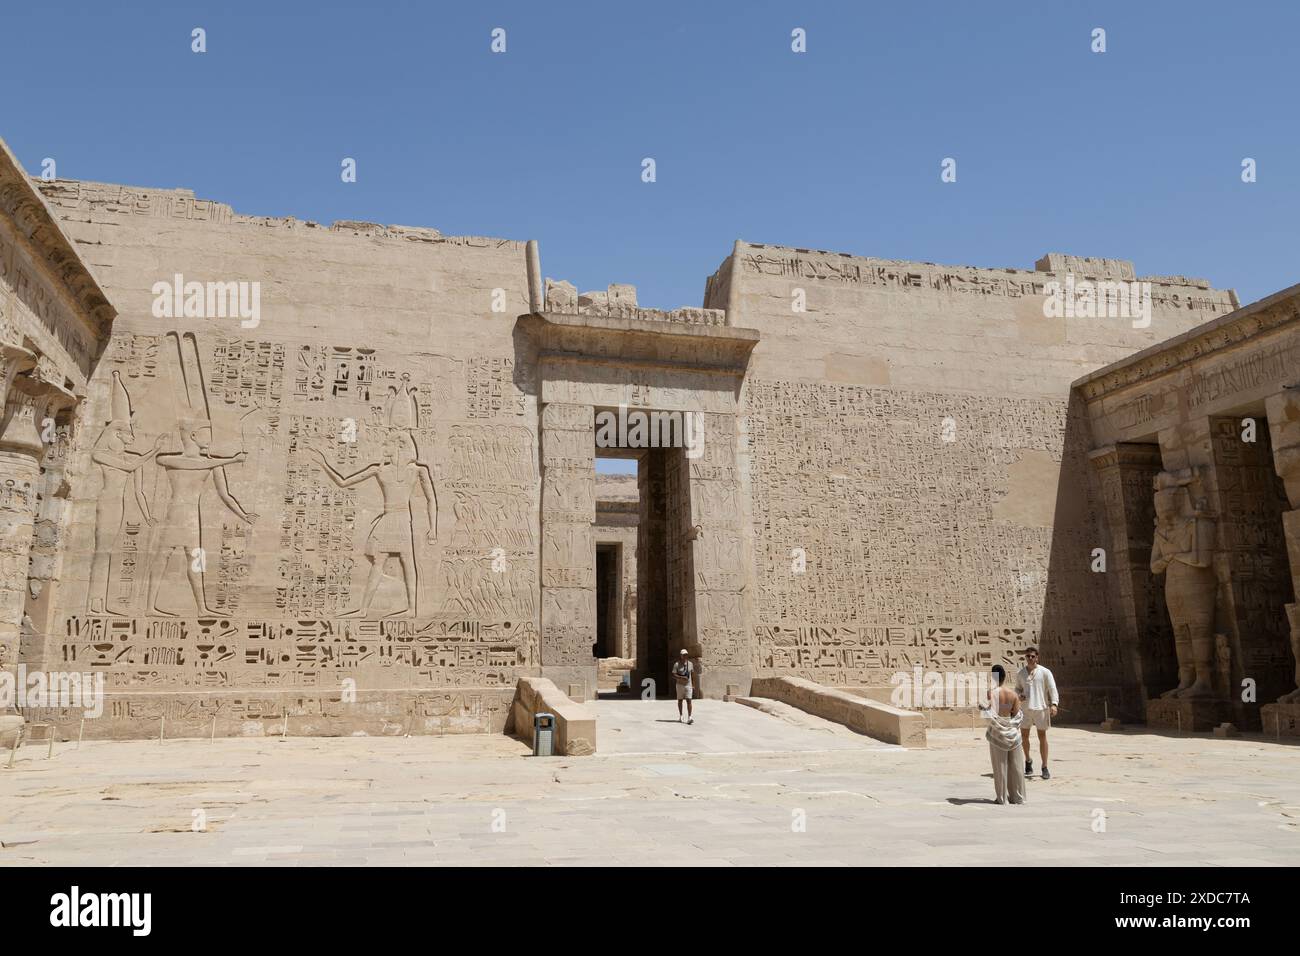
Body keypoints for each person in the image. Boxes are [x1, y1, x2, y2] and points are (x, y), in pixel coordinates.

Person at [1016, 646, 1059, 780]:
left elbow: (1052, 688)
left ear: (1037, 657)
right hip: (1025, 708)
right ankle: (1028, 760)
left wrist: (1054, 704)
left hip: (1040, 707)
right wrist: (1019, 695)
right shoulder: (1021, 673)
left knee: (1042, 737)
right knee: (1024, 736)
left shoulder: (1045, 672)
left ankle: (1044, 766)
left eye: (1032, 656)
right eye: (1027, 656)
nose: (1030, 658)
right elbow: (1017, 688)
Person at [985, 664, 1025, 805]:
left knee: (1000, 766)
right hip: (1013, 733)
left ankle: (1001, 797)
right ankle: (1017, 797)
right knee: (1016, 766)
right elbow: (1016, 714)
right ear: (1004, 677)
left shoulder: (991, 693)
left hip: (998, 734)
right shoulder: (1013, 695)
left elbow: (990, 711)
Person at [672, 648, 694, 724]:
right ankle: (681, 716)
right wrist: (681, 677)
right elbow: (674, 674)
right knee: (680, 700)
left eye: (686, 655)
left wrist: (693, 684)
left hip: (688, 684)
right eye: (684, 655)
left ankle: (690, 717)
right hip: (679, 684)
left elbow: (692, 674)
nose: (685, 656)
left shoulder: (690, 664)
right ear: (681, 655)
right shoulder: (677, 664)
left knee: (689, 700)